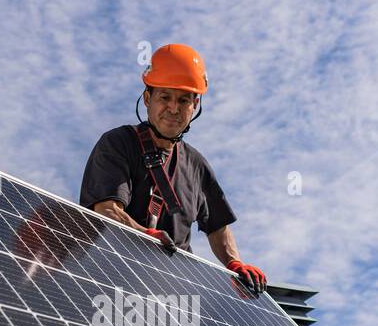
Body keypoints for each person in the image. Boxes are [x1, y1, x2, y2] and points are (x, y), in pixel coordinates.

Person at [78, 43, 267, 295]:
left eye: (184, 100)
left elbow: (218, 226)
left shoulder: (196, 165)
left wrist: (234, 262)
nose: (174, 108)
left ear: (195, 105)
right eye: (165, 97)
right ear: (148, 98)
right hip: (112, 282)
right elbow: (107, 211)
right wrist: (145, 236)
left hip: (173, 291)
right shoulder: (118, 143)